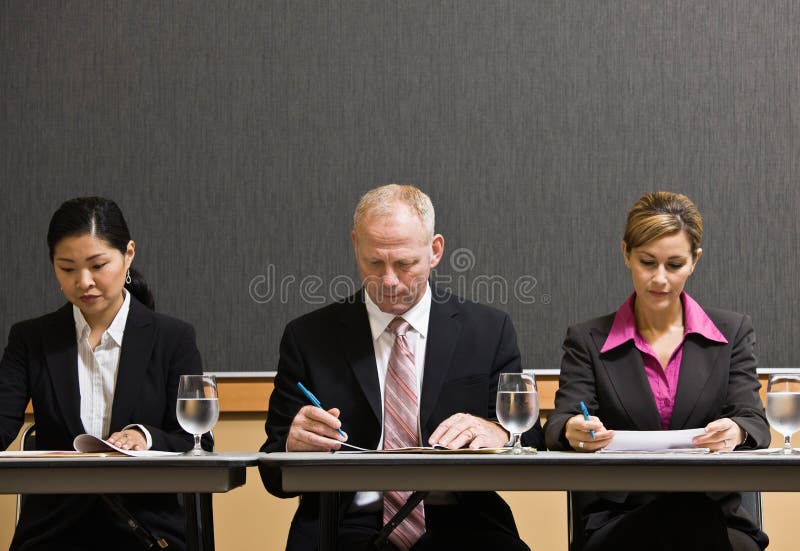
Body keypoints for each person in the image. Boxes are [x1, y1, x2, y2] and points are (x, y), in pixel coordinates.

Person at [259, 184, 543, 551]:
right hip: (343, 522)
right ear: (355, 245)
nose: (389, 280)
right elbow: (271, 471)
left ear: (435, 250)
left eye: (405, 264)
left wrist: (501, 434)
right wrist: (291, 448)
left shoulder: (489, 330)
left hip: (462, 522)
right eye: (374, 262)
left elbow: (531, 436)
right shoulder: (308, 337)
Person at [544, 192, 769, 551]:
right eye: (648, 262)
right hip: (617, 518)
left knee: (691, 512)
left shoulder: (732, 332)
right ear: (625, 254)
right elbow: (558, 424)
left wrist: (737, 429)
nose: (660, 279)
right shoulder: (587, 339)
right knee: (681, 516)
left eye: (674, 264)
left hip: (716, 517)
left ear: (695, 261)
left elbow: (754, 421)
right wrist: (573, 428)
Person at [0, 197, 206, 551]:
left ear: (128, 254)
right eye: (67, 268)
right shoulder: (31, 338)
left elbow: (199, 438)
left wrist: (145, 438)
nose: (84, 282)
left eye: (98, 265)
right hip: (52, 532)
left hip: (145, 529)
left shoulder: (173, 337)